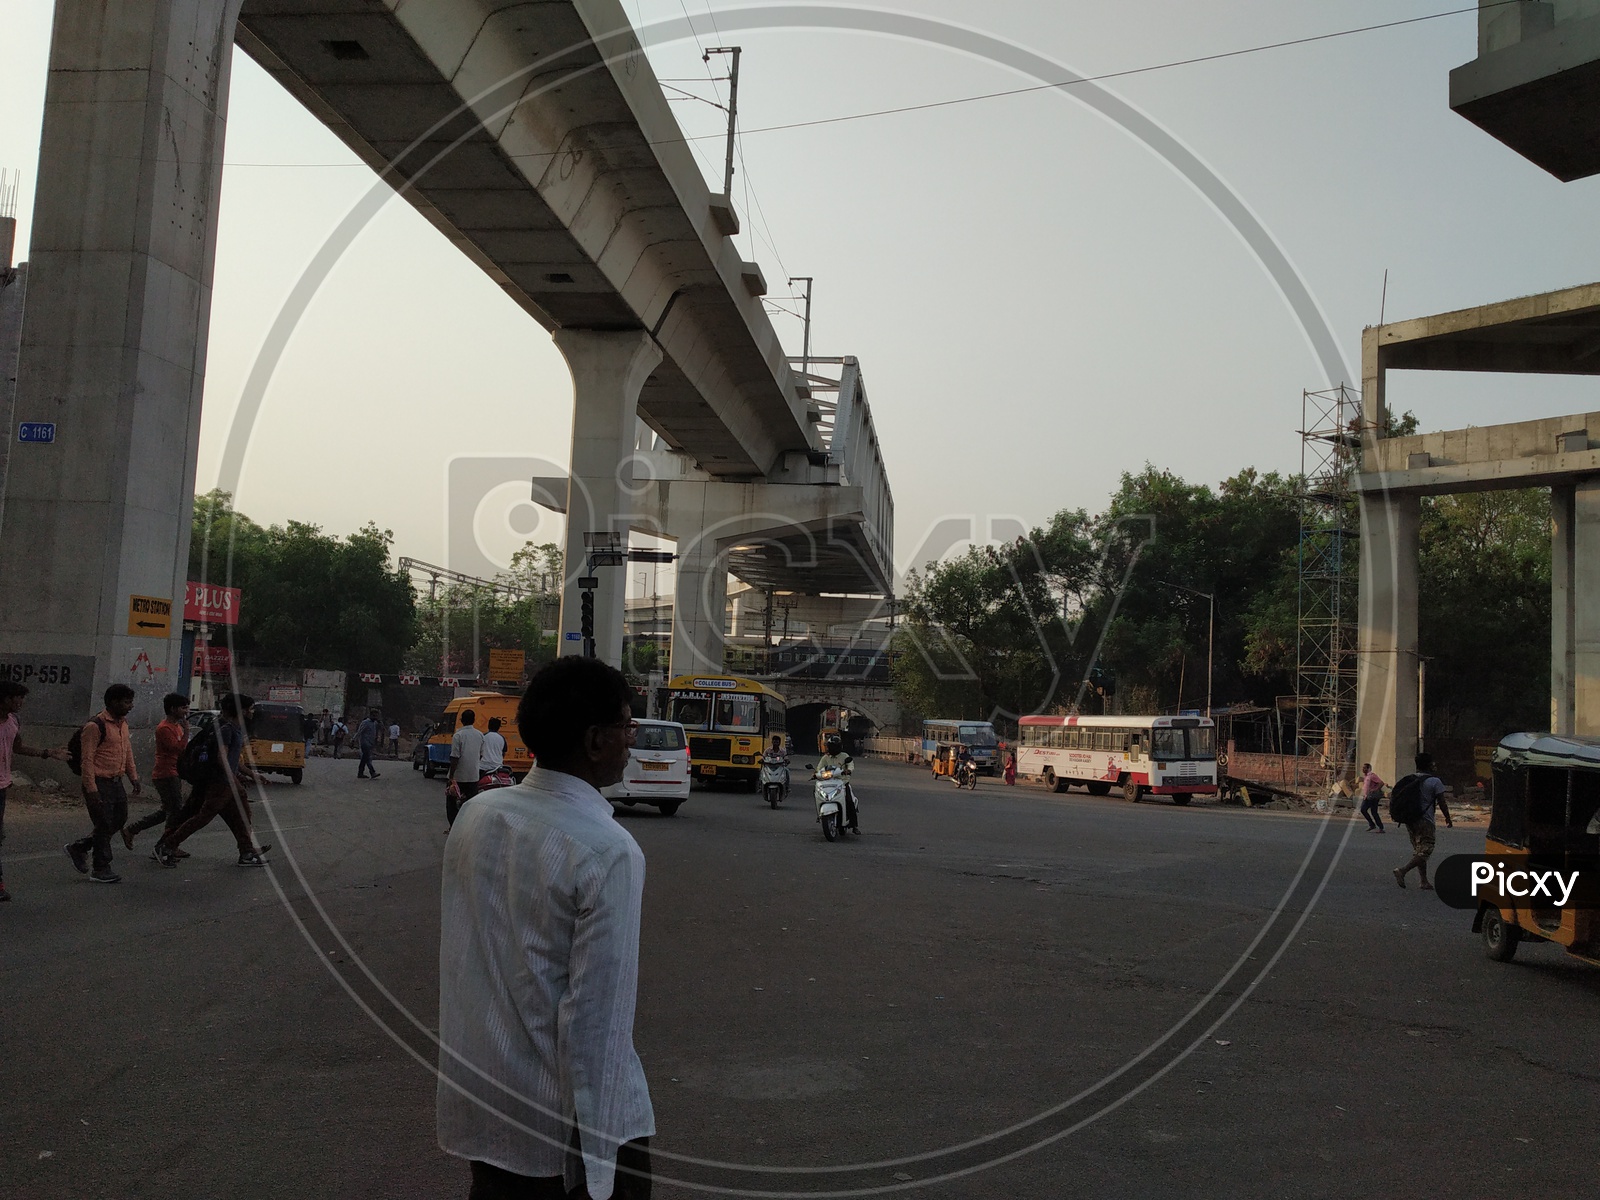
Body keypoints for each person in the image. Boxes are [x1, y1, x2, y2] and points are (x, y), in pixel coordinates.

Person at [437, 656, 653, 1199]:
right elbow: (596, 1023)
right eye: (627, 726)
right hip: (566, 1131)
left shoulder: (478, 815)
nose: (632, 739)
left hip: (488, 1106)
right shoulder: (608, 852)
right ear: (596, 740)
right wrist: (601, 1171)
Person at [154, 693, 269, 868]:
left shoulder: (232, 728)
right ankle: (168, 846)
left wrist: (251, 774)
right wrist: (232, 777)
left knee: (239, 817)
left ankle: (246, 852)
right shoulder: (226, 729)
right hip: (220, 783)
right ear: (241, 711)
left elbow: (233, 759)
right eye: (250, 709)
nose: (252, 713)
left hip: (225, 782)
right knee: (203, 817)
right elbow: (221, 757)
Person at [64, 685, 142, 884]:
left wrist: (133, 776)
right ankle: (101, 867)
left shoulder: (122, 724)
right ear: (113, 702)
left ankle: (80, 847)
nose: (130, 706)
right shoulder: (95, 726)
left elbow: (127, 751)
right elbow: (87, 760)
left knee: (119, 819)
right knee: (103, 823)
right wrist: (91, 789)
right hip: (99, 782)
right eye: (127, 702)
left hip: (116, 781)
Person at [1, 681, 70, 900]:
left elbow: (18, 748)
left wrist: (47, 753)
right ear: (4, 699)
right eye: (16, 698)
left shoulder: (14, 721)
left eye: (22, 698)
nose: (20, 703)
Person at [122, 692, 195, 855]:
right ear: (173, 709)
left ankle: (135, 830)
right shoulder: (164, 728)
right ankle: (165, 845)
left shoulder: (177, 726)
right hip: (166, 773)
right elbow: (177, 748)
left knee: (168, 811)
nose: (186, 711)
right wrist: (187, 732)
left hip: (174, 771)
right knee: (175, 811)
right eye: (183, 708)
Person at [1393, 752, 1452, 891]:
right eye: (1433, 762)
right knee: (1426, 849)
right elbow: (1442, 802)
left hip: (1410, 819)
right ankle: (1402, 871)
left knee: (1419, 850)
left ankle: (1423, 881)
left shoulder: (1410, 779)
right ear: (1429, 764)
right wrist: (1448, 818)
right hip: (1425, 820)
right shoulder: (1434, 781)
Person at [446, 708, 485, 826]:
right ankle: (468, 826)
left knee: (452, 803)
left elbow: (455, 757)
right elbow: (481, 755)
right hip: (473, 776)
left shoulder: (458, 735)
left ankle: (453, 827)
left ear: (461, 720)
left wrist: (451, 777)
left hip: (459, 777)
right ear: (474, 720)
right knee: (471, 804)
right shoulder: (480, 735)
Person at [815, 733, 858, 834]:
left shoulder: (844, 756)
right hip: (827, 782)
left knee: (849, 801)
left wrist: (848, 770)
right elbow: (819, 768)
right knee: (817, 793)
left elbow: (850, 765)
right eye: (831, 746)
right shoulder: (825, 758)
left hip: (842, 783)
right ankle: (819, 815)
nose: (833, 748)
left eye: (835, 746)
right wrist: (816, 773)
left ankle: (854, 825)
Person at [1358, 762, 1385, 833]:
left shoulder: (1372, 776)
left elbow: (1381, 783)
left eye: (1364, 768)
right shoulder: (1366, 776)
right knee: (1363, 810)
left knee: (1374, 812)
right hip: (1367, 797)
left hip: (1373, 797)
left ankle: (1380, 827)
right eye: (1363, 768)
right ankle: (1372, 824)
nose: (1363, 769)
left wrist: (1375, 789)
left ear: (1368, 769)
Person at [356, 708, 382, 780]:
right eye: (374, 716)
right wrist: (353, 739)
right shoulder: (365, 722)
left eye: (376, 716)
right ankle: (372, 772)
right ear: (370, 715)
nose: (375, 717)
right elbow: (359, 731)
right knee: (367, 758)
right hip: (364, 743)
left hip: (370, 743)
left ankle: (360, 773)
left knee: (364, 759)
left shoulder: (375, 723)